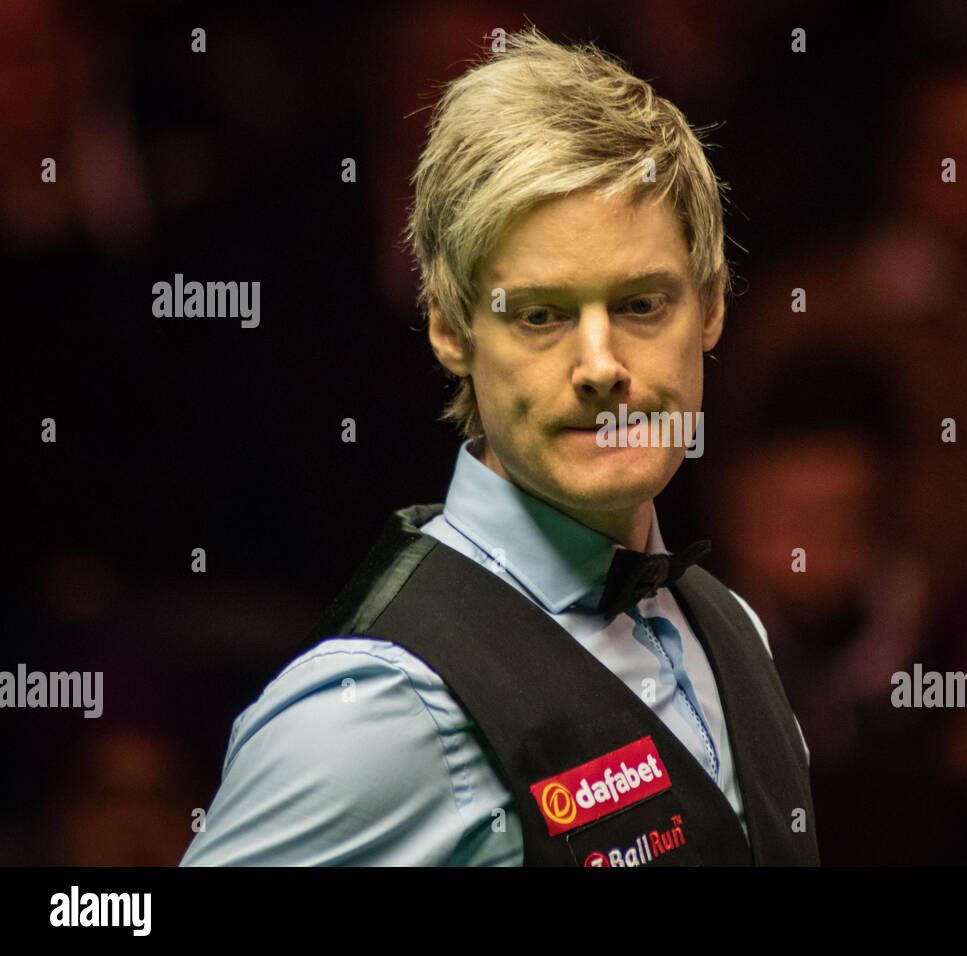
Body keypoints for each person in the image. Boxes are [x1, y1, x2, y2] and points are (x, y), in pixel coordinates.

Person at [180, 26, 817, 867]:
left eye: (640, 305)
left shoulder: (732, 629)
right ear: (450, 328)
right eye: (542, 315)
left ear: (711, 308)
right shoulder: (378, 706)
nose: (600, 368)